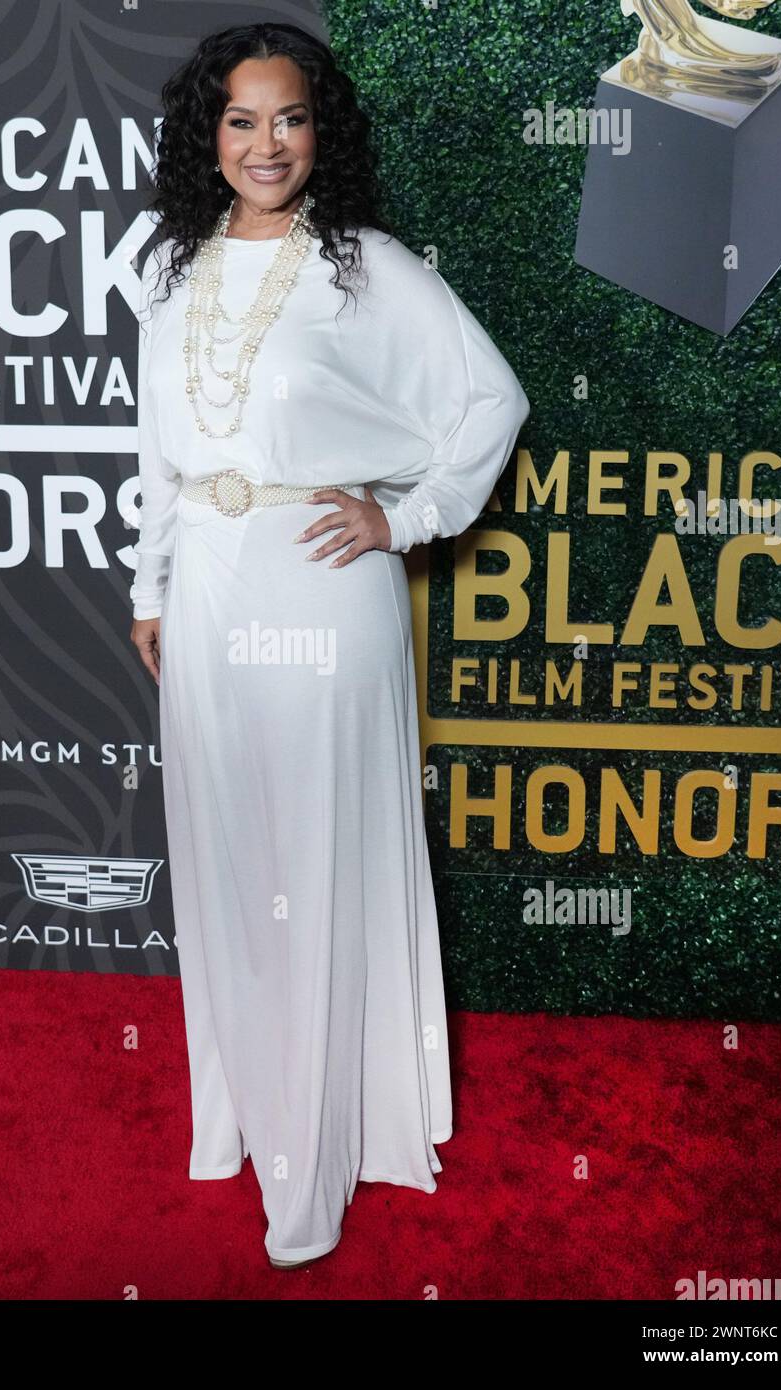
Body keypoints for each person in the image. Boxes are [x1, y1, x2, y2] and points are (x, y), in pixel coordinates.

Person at [128, 22, 529, 1270]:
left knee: (312, 849)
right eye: (241, 120)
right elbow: (155, 452)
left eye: (290, 118)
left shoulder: (365, 267)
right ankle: (244, 1109)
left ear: (320, 131)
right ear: (207, 134)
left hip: (318, 588)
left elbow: (493, 399)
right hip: (205, 591)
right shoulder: (169, 269)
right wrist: (148, 584)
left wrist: (403, 518)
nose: (267, 144)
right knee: (230, 852)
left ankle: (317, 1151)